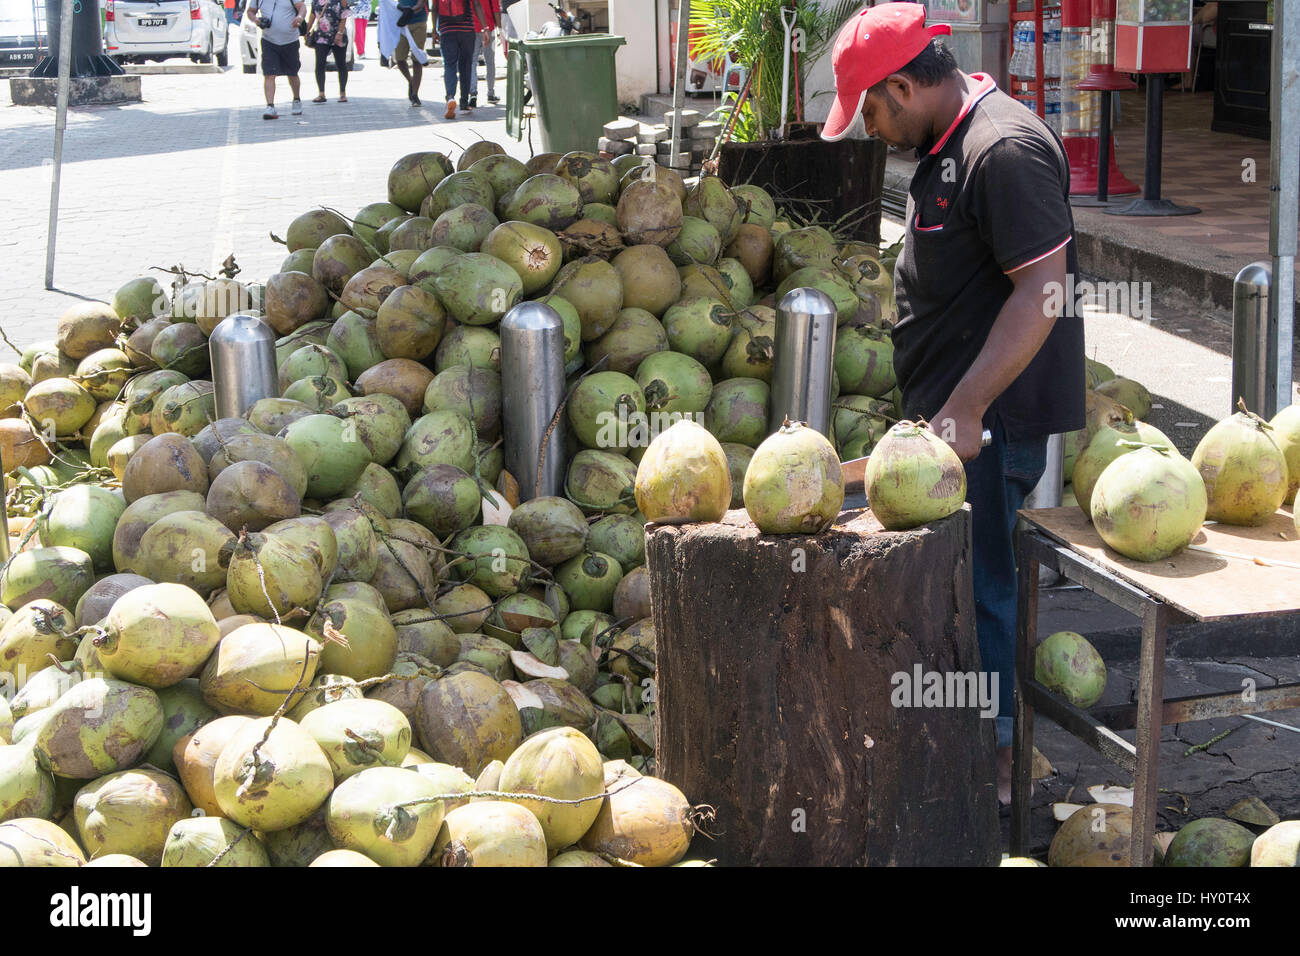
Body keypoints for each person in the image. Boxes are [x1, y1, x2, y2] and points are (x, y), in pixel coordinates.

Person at [821, 3, 1085, 805]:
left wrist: (966, 408)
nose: (868, 127)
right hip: (942, 428)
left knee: (981, 592)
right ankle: (953, 748)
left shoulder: (1000, 149)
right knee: (943, 590)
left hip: (987, 428)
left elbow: (1044, 291)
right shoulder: (944, 143)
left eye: (869, 107)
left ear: (903, 85)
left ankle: (993, 769)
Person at [246, 0, 308, 119]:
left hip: (290, 40)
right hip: (269, 40)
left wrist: (299, 17)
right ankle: (270, 106)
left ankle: (296, 99)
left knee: (292, 73)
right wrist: (256, 19)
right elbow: (250, 11)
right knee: (269, 74)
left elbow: (302, 7)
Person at [436, 0, 477, 119]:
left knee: (449, 65)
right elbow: (477, 4)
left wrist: (434, 29)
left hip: (447, 31)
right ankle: (464, 103)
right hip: (467, 31)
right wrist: (485, 28)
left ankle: (450, 97)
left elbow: (435, 8)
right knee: (465, 66)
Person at [306, 0, 351, 103]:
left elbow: (344, 16)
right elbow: (312, 16)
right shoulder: (316, 1)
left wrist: (339, 33)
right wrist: (306, 31)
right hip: (321, 36)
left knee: (341, 64)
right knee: (320, 64)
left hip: (338, 35)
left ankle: (342, 93)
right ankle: (321, 93)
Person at [394, 0, 430, 106]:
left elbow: (421, 4)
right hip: (402, 23)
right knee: (400, 59)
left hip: (418, 22)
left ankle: (415, 95)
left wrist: (409, 11)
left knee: (417, 59)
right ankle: (411, 81)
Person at [468, 0, 501, 106]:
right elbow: (496, 9)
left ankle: (473, 93)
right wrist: (500, 29)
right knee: (490, 62)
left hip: (472, 28)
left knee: (472, 62)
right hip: (488, 28)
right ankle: (490, 93)